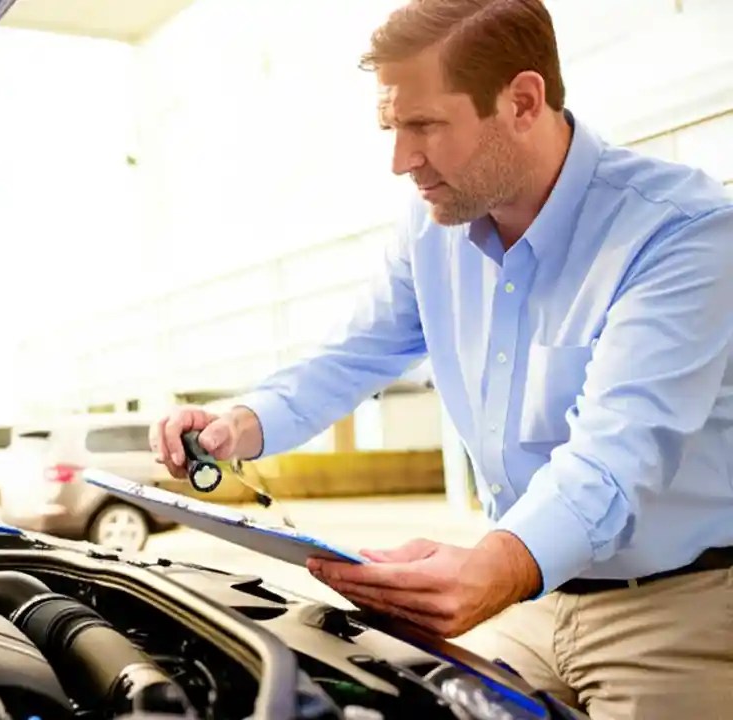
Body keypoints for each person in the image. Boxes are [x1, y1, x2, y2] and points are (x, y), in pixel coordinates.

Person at [149, 0, 733, 716]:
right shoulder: (434, 232)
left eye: (424, 125)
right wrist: (238, 423)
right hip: (528, 603)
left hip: (676, 611)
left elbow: (618, 453)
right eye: (393, 128)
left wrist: (493, 568)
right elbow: (352, 354)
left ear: (522, 101)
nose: (401, 161)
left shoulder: (682, 234)